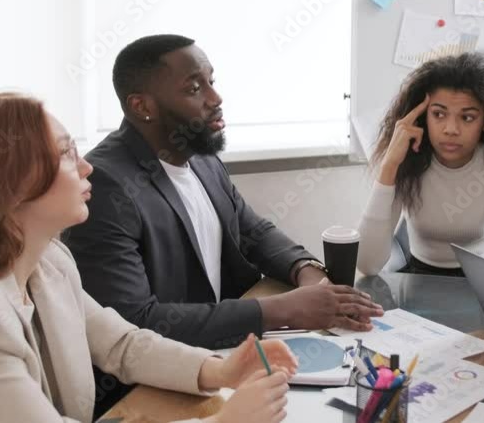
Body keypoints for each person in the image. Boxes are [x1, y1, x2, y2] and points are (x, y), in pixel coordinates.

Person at [0, 93, 298, 423]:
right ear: (10, 185)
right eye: (66, 154)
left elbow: (121, 344)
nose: (86, 167)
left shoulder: (49, 261)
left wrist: (219, 370)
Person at [63, 34, 383, 413]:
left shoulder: (199, 155)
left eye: (211, 81)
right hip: (152, 389)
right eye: (194, 88)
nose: (215, 98)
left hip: (225, 359)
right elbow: (135, 321)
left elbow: (251, 230)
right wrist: (283, 309)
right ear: (142, 106)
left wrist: (307, 272)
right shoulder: (106, 185)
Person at [357, 52, 484, 281]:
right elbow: (366, 264)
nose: (450, 129)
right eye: (438, 114)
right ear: (423, 116)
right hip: (420, 278)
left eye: (467, 118)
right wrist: (389, 164)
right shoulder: (408, 160)